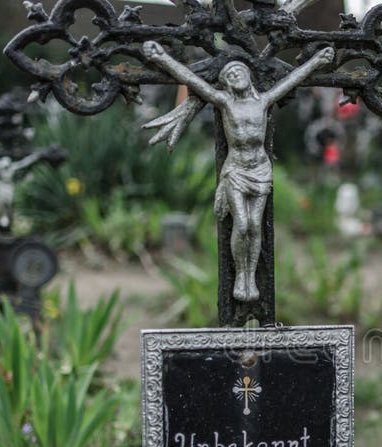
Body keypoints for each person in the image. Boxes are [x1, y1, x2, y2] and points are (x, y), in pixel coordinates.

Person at [142, 41, 334, 302]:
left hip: (260, 169)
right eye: (230, 75)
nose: (235, 76)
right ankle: (239, 274)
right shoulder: (224, 102)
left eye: (238, 72)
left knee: (255, 225)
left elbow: (291, 80)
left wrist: (318, 61)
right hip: (236, 170)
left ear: (248, 77)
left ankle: (248, 278)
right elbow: (193, 81)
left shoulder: (264, 101)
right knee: (241, 223)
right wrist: (162, 58)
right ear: (227, 83)